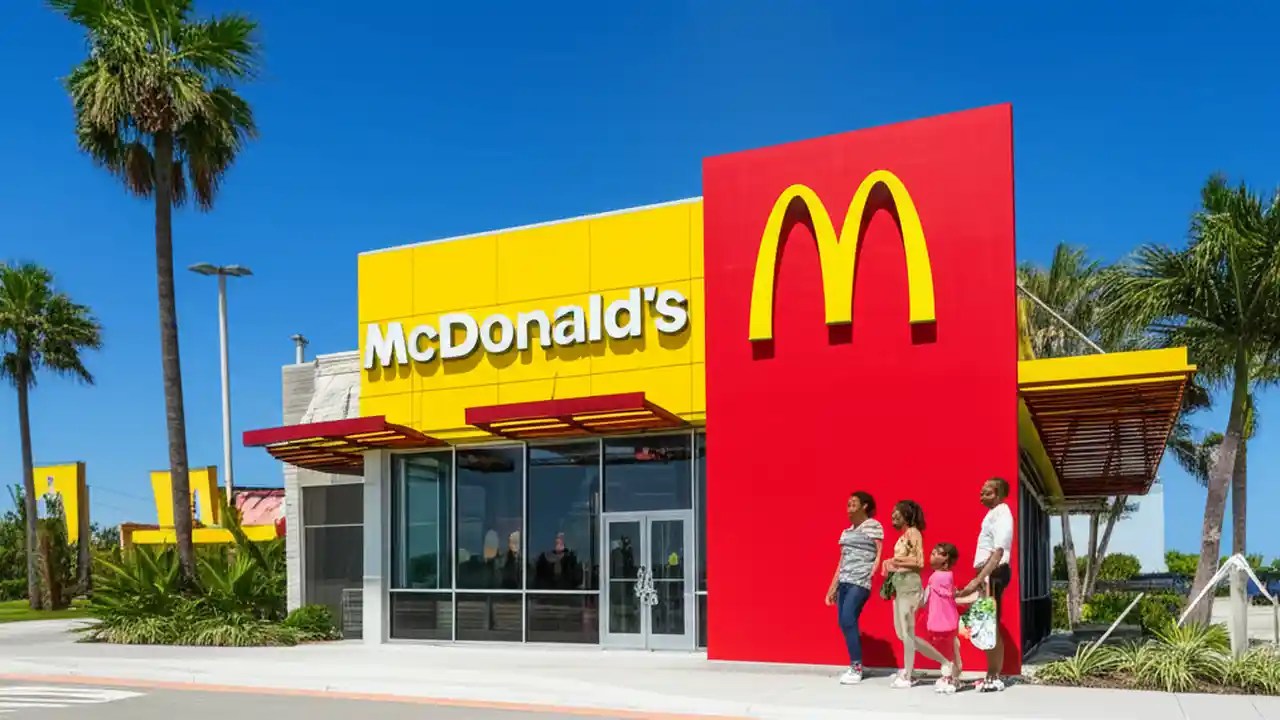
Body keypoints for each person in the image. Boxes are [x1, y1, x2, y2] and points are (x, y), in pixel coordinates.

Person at [882, 500, 952, 689]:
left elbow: (919, 561)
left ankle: (909, 673)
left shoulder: (913, 533)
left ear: (906, 515)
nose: (892, 518)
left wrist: (894, 560)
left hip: (910, 585)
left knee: (907, 632)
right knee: (902, 633)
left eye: (896, 514)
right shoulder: (904, 535)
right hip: (899, 584)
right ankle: (944, 662)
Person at [959, 477, 1014, 692]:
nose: (982, 496)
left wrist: (978, 579)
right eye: (982, 492)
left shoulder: (1003, 514)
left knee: (990, 624)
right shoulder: (992, 514)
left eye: (987, 493)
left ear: (999, 494)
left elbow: (998, 551)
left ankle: (994, 676)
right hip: (987, 573)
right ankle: (990, 673)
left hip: (993, 572)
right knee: (985, 624)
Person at [824, 491, 883, 685]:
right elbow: (842, 560)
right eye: (848, 504)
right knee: (844, 621)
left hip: (860, 581)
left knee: (848, 618)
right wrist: (833, 586)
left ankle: (856, 667)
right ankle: (854, 663)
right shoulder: (846, 532)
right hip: (845, 581)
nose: (849, 508)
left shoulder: (873, 526)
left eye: (853, 504)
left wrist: (872, 575)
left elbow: (879, 552)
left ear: (864, 506)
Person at [922, 542, 963, 694]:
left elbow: (926, 598)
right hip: (949, 619)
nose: (932, 554)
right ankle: (954, 676)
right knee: (951, 647)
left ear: (945, 560)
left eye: (936, 553)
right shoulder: (947, 576)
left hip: (941, 620)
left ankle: (949, 678)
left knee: (945, 651)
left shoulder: (937, 577)